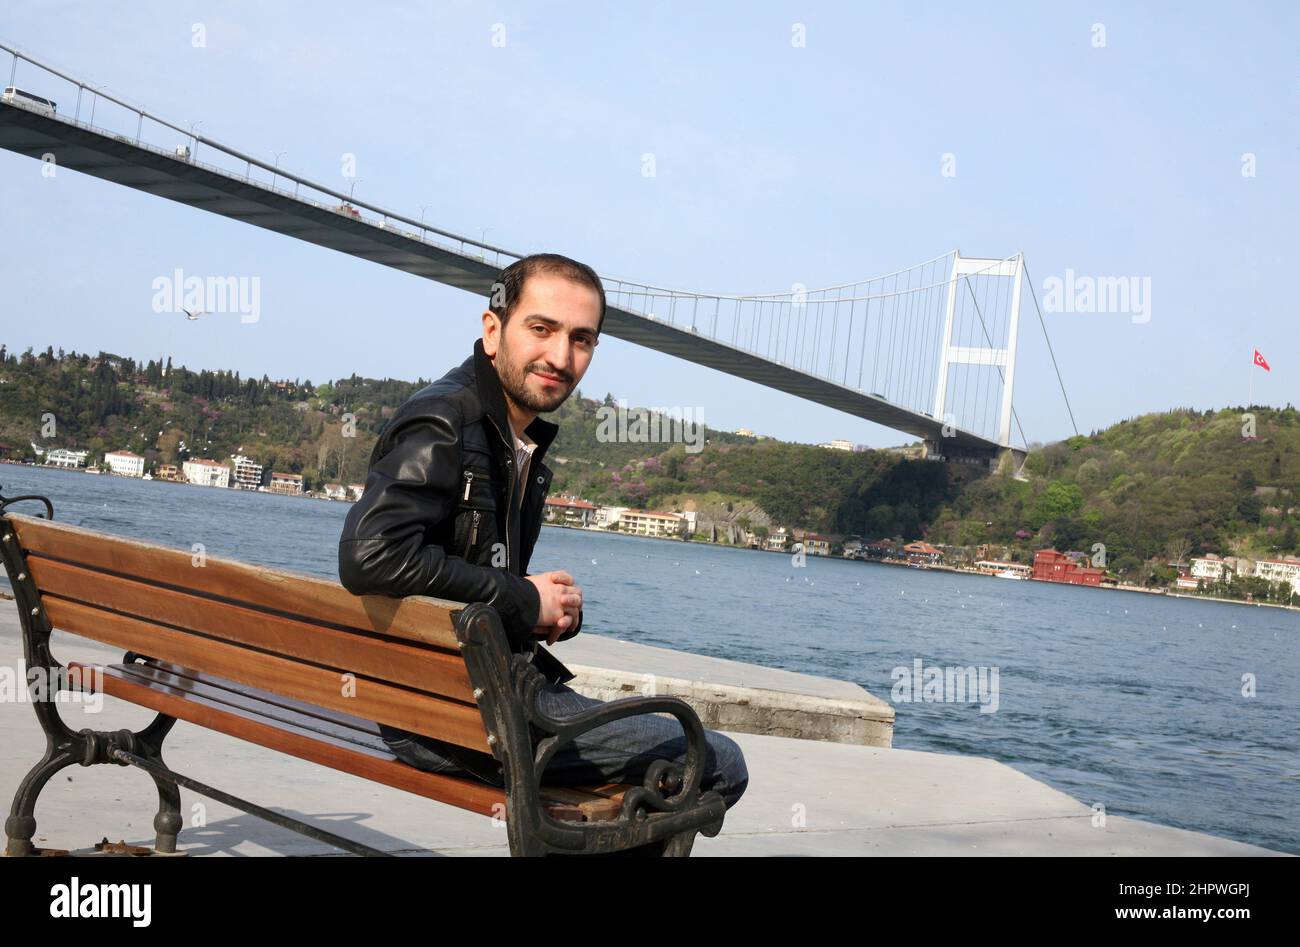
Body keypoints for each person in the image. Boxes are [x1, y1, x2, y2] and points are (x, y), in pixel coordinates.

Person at [337, 252, 747, 810]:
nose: (561, 356)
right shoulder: (446, 420)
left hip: (455, 696)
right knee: (714, 757)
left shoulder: (505, 433)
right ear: (492, 330)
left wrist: (535, 601)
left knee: (665, 761)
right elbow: (371, 557)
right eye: (542, 328)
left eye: (582, 339)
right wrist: (521, 596)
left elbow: (440, 565)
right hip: (453, 715)